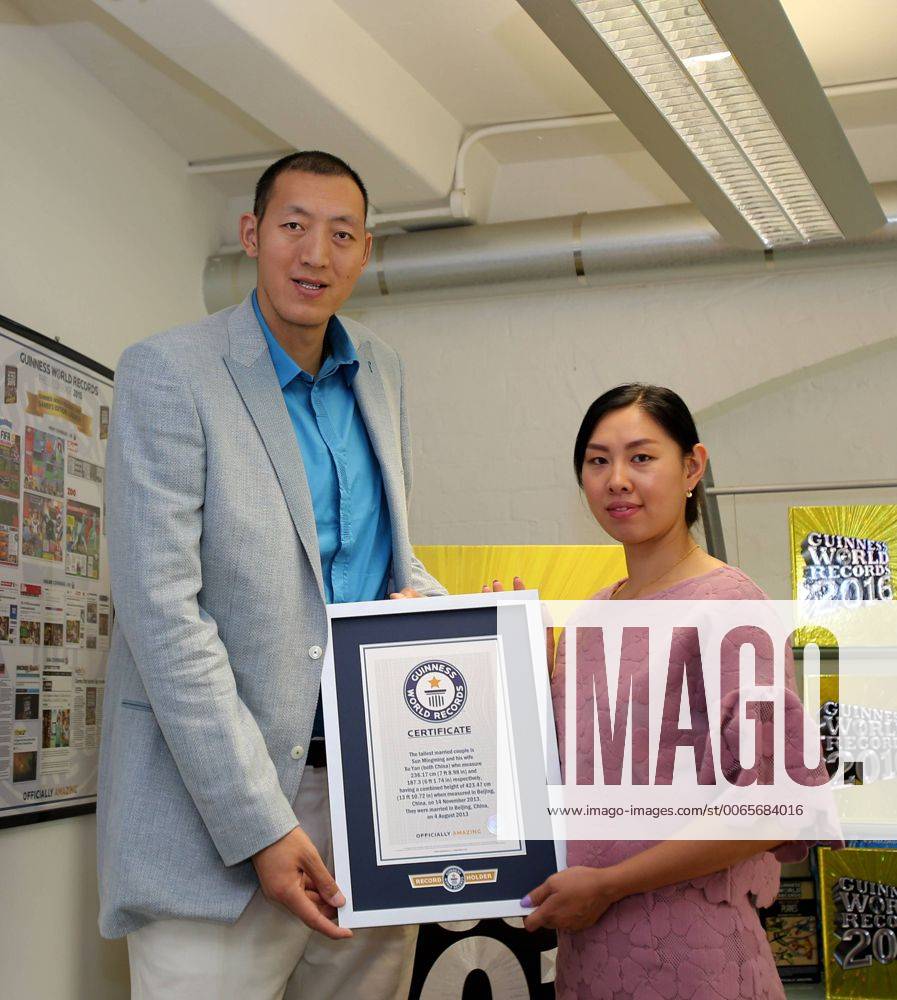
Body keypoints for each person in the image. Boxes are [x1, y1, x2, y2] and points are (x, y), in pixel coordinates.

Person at [97, 150, 445, 1000]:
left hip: (371, 800)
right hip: (213, 819)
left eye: (340, 235)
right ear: (253, 235)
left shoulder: (383, 373)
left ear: (366, 253)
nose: (314, 255)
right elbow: (162, 613)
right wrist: (260, 824)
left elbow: (376, 568)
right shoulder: (171, 372)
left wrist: (456, 618)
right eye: (292, 227)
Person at [521, 384, 820, 1000]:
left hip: (693, 954)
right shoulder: (590, 617)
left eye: (641, 457)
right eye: (597, 461)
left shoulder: (731, 605)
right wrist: (484, 659)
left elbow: (770, 803)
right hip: (589, 953)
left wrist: (608, 885)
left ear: (692, 466)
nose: (617, 480)